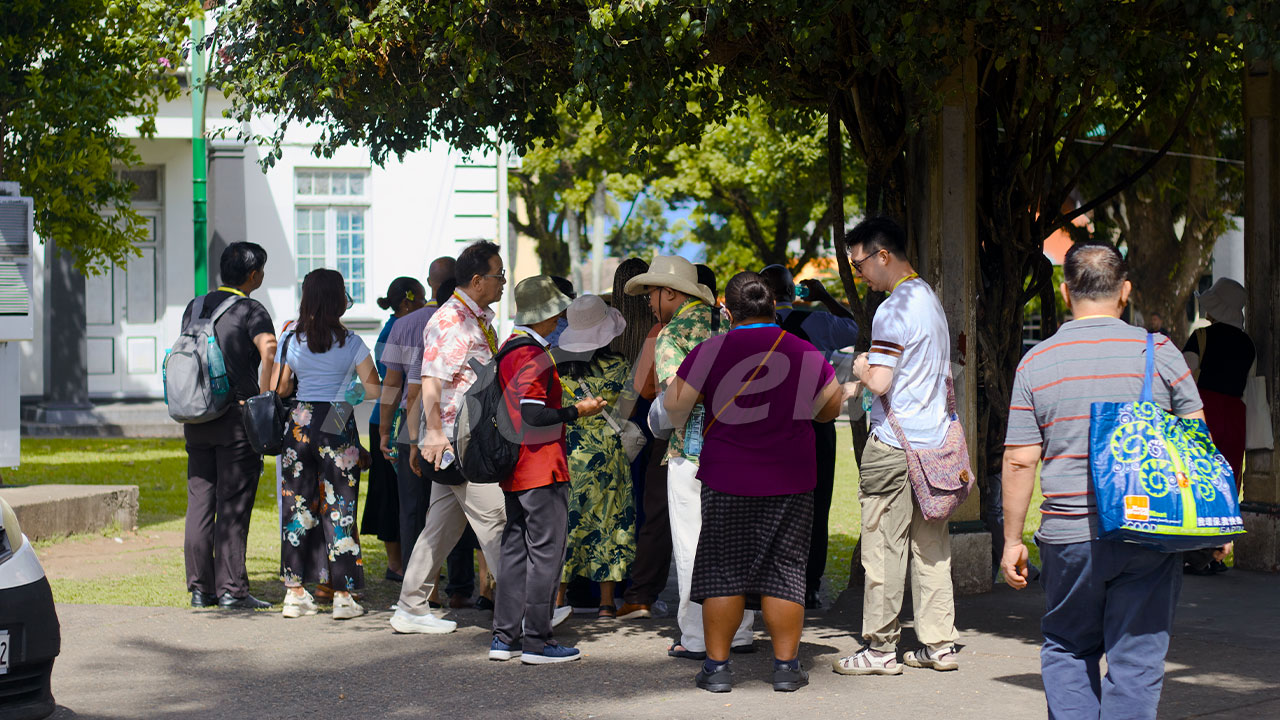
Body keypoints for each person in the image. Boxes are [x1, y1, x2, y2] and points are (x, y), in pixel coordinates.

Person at [1001, 241, 1204, 719]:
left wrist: (1012, 540)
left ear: (1066, 290)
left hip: (1070, 535)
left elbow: (1019, 461)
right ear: (1125, 291)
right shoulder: (1161, 354)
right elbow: (1197, 439)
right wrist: (1210, 522)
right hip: (1149, 528)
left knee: (1069, 647)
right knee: (1137, 660)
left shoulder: (1036, 362)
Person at [665, 271, 844, 693]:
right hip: (792, 479)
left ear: (727, 310)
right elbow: (828, 409)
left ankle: (717, 668)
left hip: (727, 476)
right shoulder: (804, 351)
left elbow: (675, 409)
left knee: (723, 572)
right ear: (773, 307)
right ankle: (785, 668)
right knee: (785, 572)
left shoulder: (710, 350)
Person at [833, 216, 961, 676]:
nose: (858, 272)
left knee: (884, 548)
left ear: (882, 255)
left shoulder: (891, 311)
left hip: (894, 445)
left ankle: (881, 649)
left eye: (860, 262)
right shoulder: (929, 299)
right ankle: (939, 644)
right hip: (935, 446)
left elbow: (882, 378)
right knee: (932, 548)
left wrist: (861, 365)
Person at [624, 256, 755, 659]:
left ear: (670, 292)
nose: (649, 302)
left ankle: (698, 637)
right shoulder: (727, 322)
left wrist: (656, 416)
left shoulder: (671, 333)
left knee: (692, 547)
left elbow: (677, 401)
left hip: (692, 452)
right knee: (735, 544)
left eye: (651, 293)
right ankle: (741, 632)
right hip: (739, 447)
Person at [391, 241, 508, 635]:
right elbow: (431, 380)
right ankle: (523, 610)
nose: (504, 282)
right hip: (459, 440)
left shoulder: (476, 319)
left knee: (441, 526)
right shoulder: (450, 321)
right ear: (477, 281)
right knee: (495, 520)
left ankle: (410, 605)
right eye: (498, 275)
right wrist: (435, 434)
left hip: (465, 437)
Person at [490, 277, 607, 664]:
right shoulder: (531, 354)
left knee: (514, 552)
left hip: (515, 467)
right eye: (557, 313)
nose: (560, 320)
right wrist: (579, 411)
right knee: (546, 554)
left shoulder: (509, 347)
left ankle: (505, 638)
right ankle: (537, 641)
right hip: (539, 465)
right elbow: (533, 414)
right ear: (544, 315)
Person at [275, 268, 382, 620]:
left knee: (296, 506)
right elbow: (374, 388)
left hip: (300, 423)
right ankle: (342, 596)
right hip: (337, 420)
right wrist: (344, 393)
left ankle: (294, 593)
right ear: (339, 300)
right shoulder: (351, 342)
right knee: (341, 510)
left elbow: (281, 389)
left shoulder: (292, 339)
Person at [181, 241, 277, 610]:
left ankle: (200, 589)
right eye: (262, 272)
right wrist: (266, 395)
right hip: (236, 420)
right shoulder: (251, 309)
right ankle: (232, 591)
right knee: (233, 504)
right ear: (253, 275)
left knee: (200, 503)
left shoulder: (196, 306)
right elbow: (268, 348)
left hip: (197, 415)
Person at [759, 264, 859, 608]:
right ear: (791, 292)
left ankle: (768, 581)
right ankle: (810, 584)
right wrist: (826, 297)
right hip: (817, 423)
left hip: (767, 427)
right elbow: (858, 329)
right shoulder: (817, 321)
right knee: (818, 505)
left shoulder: (749, 329)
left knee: (766, 502)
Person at [553, 294, 635, 619]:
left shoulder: (554, 365)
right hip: (608, 453)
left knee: (565, 524)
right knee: (610, 523)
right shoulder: (619, 365)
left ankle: (558, 601)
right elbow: (628, 407)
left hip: (566, 451)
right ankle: (605, 604)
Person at [612, 258, 672, 621]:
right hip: (652, 422)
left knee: (619, 506)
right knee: (650, 508)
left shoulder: (608, 329)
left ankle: (614, 588)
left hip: (616, 420)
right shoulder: (657, 329)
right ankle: (641, 588)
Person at [1181, 277, 1252, 575]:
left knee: (1196, 480)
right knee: (1227, 483)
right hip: (1236, 415)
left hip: (1203, 412)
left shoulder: (1201, 337)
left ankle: (1194, 553)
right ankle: (1215, 551)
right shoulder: (1249, 344)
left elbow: (1182, 373)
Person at [362, 276, 426, 581]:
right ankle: (396, 564)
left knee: (397, 494)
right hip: (392, 418)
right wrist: (387, 428)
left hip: (391, 417)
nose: (426, 305)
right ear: (407, 302)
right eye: (422, 298)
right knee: (392, 496)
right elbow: (392, 382)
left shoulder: (396, 327)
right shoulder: (395, 330)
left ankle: (401, 563)